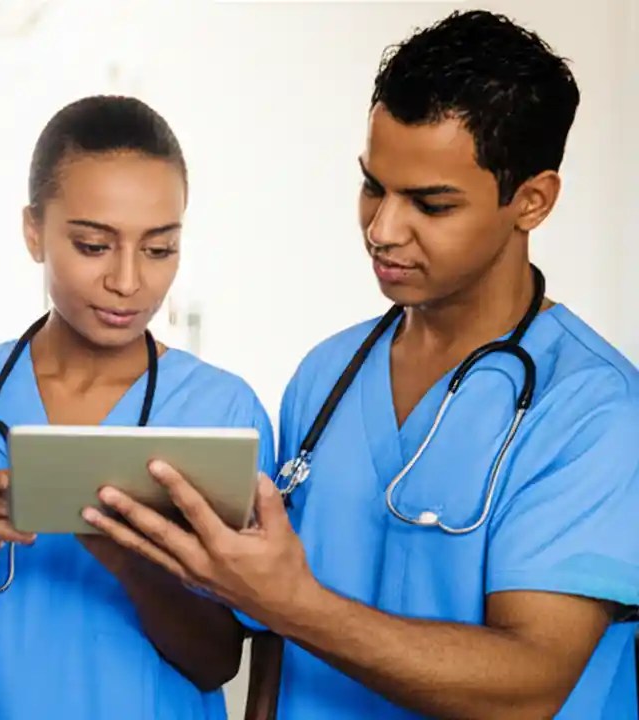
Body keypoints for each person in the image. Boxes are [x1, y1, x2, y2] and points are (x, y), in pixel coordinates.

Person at [84, 10, 639, 720]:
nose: (381, 229)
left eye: (430, 204)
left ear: (532, 200)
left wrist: (292, 604)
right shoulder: (328, 375)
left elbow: (530, 684)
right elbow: (276, 645)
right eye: (373, 186)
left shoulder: (593, 409)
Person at [0, 95, 275, 719]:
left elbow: (218, 662)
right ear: (33, 231)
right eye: (93, 245)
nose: (128, 282)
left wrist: (133, 559)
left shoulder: (222, 409)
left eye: (159, 249)